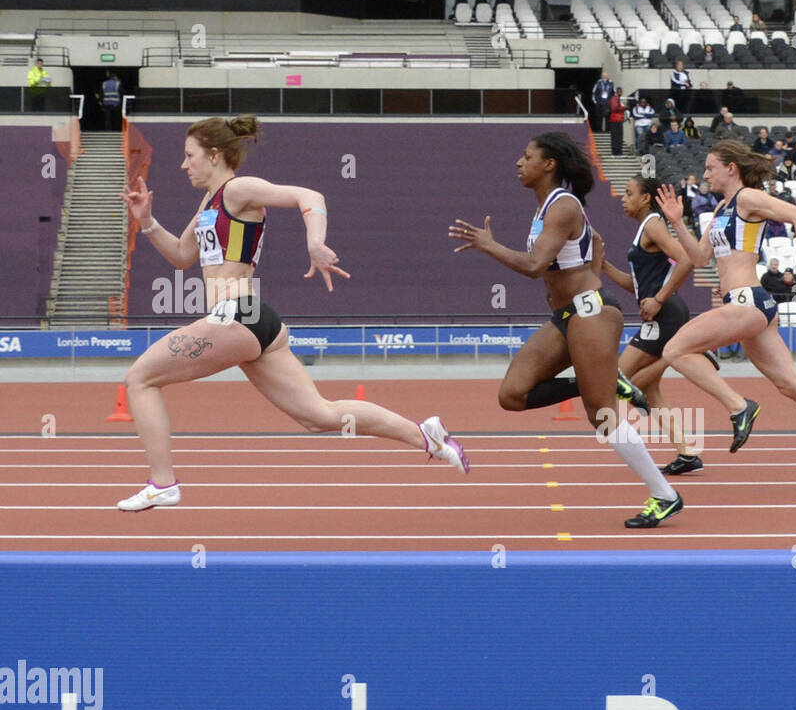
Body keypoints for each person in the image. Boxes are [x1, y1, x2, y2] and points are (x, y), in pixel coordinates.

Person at [115, 115, 466, 511]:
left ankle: (163, 483)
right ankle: (425, 435)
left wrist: (315, 243)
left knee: (140, 379)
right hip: (254, 321)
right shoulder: (209, 204)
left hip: (237, 313)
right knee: (320, 416)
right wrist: (146, 222)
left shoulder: (239, 189)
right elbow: (182, 256)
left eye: (189, 156)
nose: (183, 165)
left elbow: (310, 196)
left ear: (214, 155)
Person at [451, 133, 687, 526]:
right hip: (567, 316)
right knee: (512, 394)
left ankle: (664, 494)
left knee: (603, 418)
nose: (518, 162)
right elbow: (584, 252)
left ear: (550, 165)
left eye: (527, 157)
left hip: (590, 313)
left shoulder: (562, 205)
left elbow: (533, 265)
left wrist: (489, 245)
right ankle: (606, 378)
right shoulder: (546, 208)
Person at [654, 140, 796, 489]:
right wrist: (677, 222)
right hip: (751, 307)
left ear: (731, 169)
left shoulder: (747, 198)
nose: (706, 174)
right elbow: (698, 258)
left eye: (711, 167)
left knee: (675, 350)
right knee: (790, 384)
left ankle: (738, 407)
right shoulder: (722, 207)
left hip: (747, 302)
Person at [594, 176, 726, 477]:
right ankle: (687, 452)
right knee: (649, 390)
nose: (623, 198)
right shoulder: (644, 230)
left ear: (645, 199)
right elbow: (638, 287)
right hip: (661, 310)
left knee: (616, 377)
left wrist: (658, 299)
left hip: (665, 312)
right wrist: (606, 267)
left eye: (629, 194)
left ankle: (688, 354)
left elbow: (686, 260)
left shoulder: (653, 224)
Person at [607, 88, 626, 155]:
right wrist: (625, 108)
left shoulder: (618, 99)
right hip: (615, 120)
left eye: (621, 91)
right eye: (619, 91)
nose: (620, 92)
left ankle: (618, 151)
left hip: (619, 120)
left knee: (619, 137)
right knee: (616, 137)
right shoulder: (614, 98)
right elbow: (614, 108)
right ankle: (616, 152)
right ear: (616, 92)